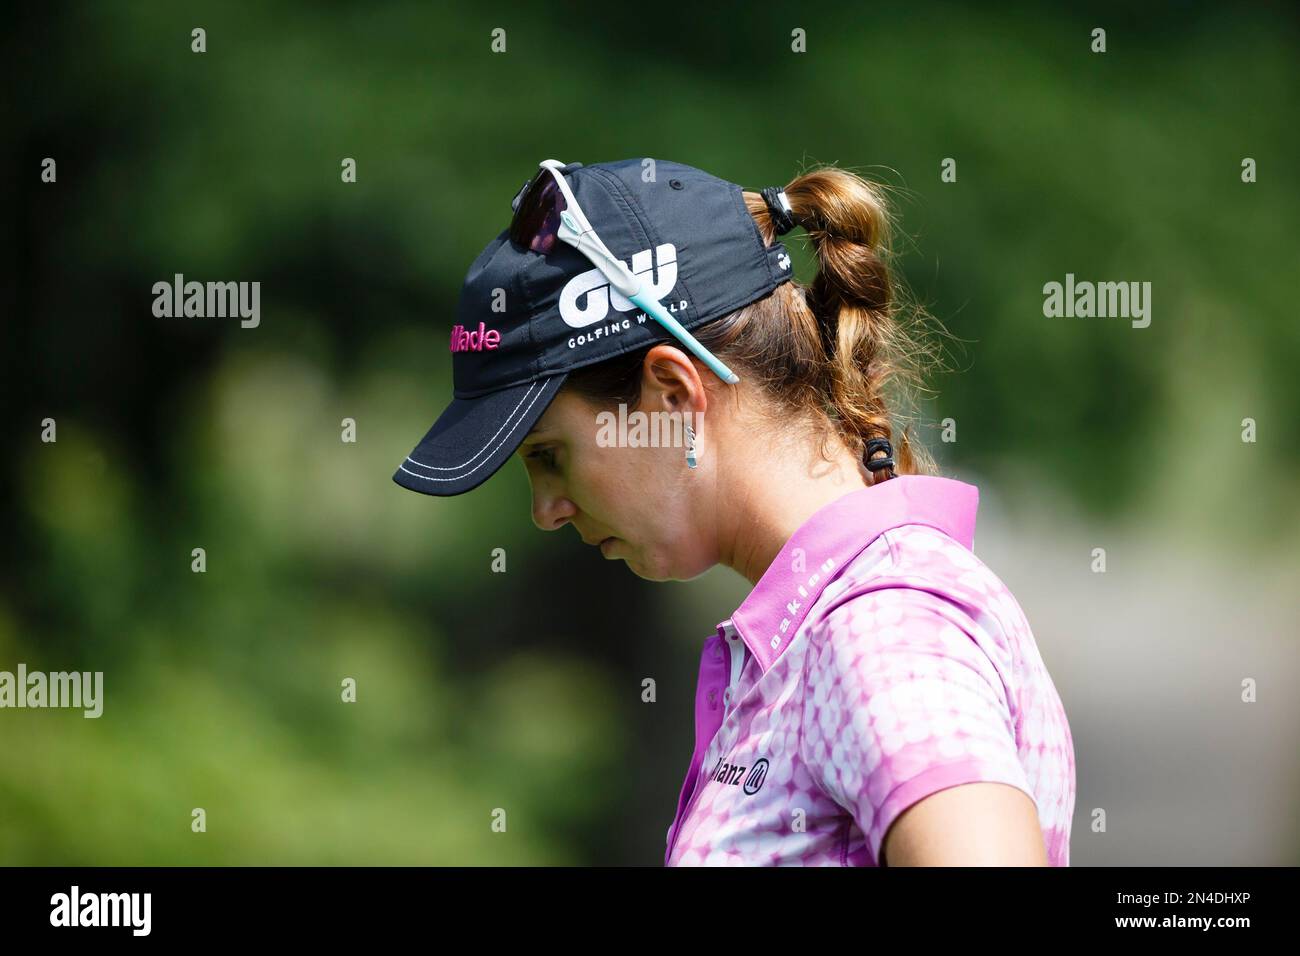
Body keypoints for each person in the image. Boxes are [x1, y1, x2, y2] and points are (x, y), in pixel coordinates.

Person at [392, 157, 1076, 866]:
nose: (546, 510)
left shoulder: (882, 627)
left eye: (549, 454)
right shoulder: (823, 629)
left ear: (672, 396)